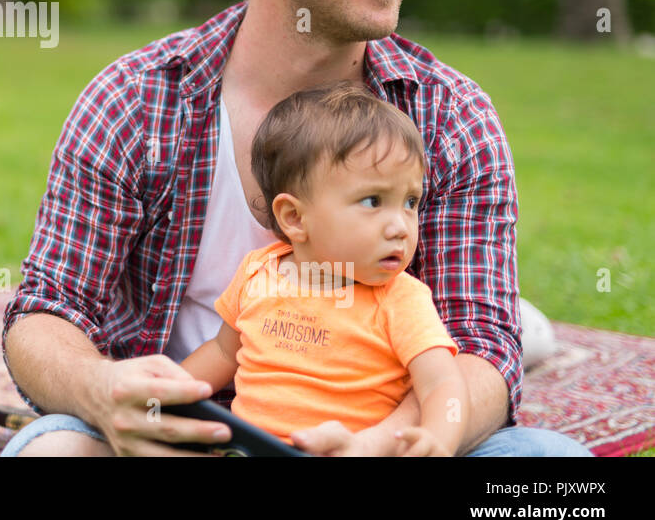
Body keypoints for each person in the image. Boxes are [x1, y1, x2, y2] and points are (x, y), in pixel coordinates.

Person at [0, 0, 591, 457]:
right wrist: (100, 391)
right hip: (181, 437)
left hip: (383, 435)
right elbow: (49, 309)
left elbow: (482, 346)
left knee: (550, 467)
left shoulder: (451, 114)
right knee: (53, 452)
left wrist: (384, 442)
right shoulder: (136, 100)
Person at [178, 82, 466, 455]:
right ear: (294, 217)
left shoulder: (401, 300)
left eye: (410, 201)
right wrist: (165, 396)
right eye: (373, 201)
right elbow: (222, 353)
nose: (401, 226)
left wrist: (439, 439)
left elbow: (442, 385)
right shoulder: (258, 273)